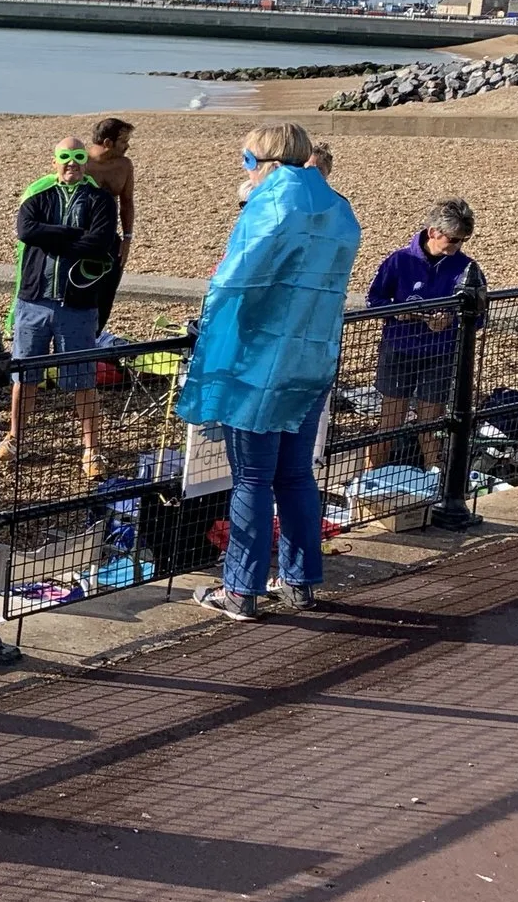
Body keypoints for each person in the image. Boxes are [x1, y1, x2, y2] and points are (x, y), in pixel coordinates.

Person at [177, 123, 361, 623]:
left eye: (246, 159)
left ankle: (241, 589)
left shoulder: (272, 203)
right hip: (313, 353)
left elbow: (234, 280)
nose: (246, 168)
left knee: (252, 479)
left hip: (260, 361)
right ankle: (300, 581)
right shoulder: (338, 208)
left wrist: (212, 334)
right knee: (297, 474)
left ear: (267, 160)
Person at [7, 139, 122, 472]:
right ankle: (15, 438)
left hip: (78, 303)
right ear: (54, 161)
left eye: (78, 157)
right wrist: (74, 235)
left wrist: (52, 237)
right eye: (65, 157)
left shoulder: (101, 200)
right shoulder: (38, 197)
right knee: (24, 376)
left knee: (82, 379)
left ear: (86, 162)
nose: (71, 163)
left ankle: (92, 449)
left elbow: (100, 241)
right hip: (34, 300)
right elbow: (26, 230)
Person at [366, 201, 481, 468]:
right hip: (399, 350)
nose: (457, 247)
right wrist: (399, 312)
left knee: (430, 428)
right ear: (433, 232)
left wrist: (452, 321)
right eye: (453, 240)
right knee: (389, 425)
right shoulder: (399, 260)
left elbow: (479, 315)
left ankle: (436, 489)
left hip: (440, 353)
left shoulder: (467, 267)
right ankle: (365, 488)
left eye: (463, 241)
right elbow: (374, 301)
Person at [83, 120, 137, 328]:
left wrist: (127, 238)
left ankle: (94, 341)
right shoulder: (82, 164)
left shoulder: (123, 165)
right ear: (108, 142)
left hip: (109, 238)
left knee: (105, 296)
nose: (127, 146)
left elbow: (127, 202)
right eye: (124, 141)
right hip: (81, 237)